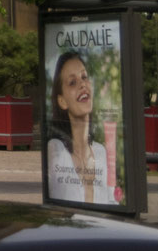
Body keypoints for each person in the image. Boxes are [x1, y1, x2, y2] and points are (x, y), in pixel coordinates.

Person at [45, 51, 115, 205]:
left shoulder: (100, 152)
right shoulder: (55, 150)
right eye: (72, 82)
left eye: (84, 77)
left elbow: (112, 202)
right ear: (62, 101)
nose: (83, 84)